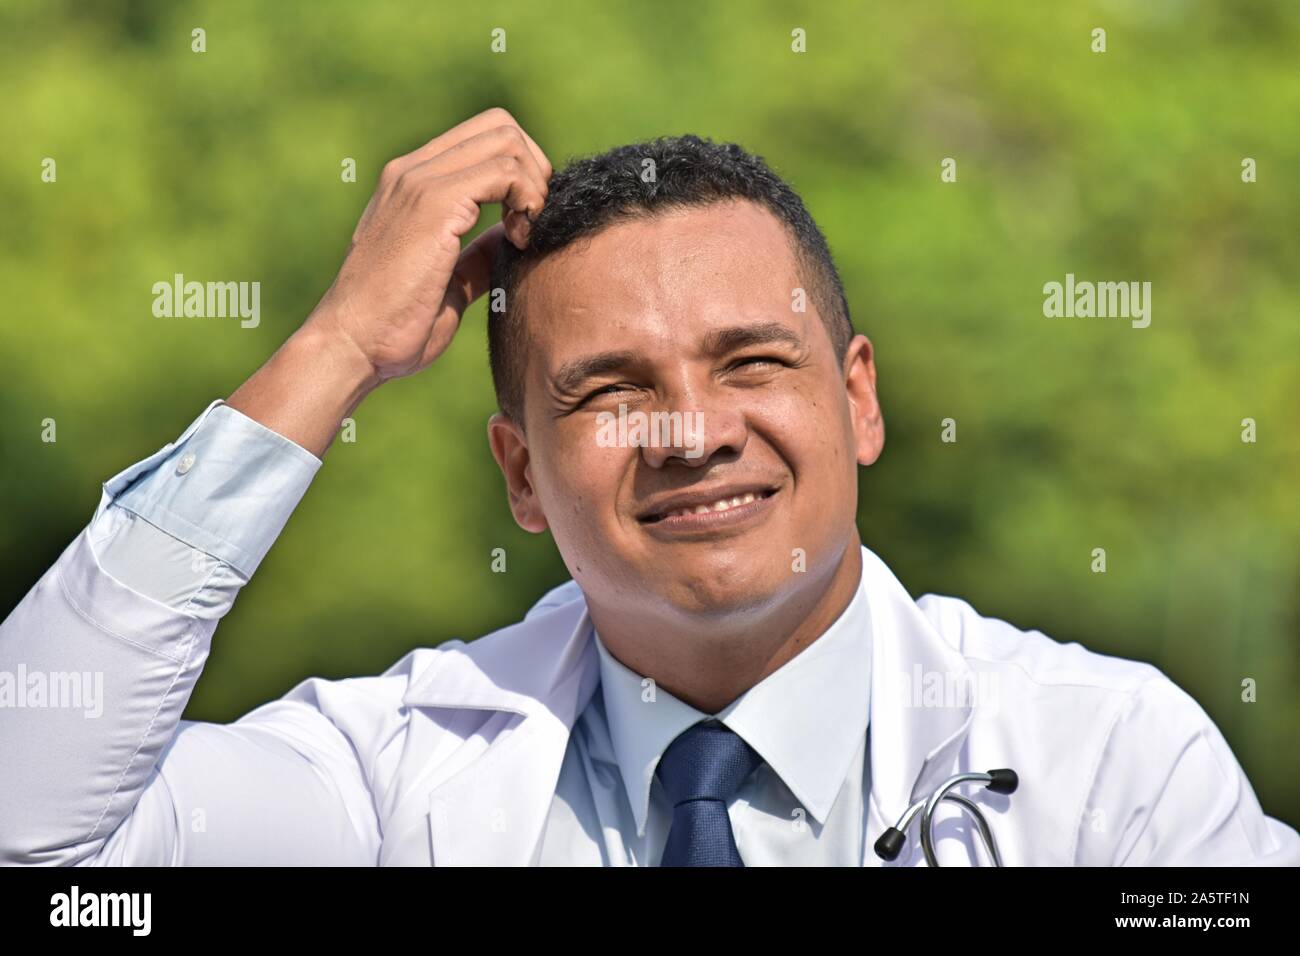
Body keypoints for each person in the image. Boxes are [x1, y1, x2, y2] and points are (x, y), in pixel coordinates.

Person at [1, 108, 1295, 866]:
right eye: (610, 392)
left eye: (750, 362)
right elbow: (31, 835)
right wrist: (335, 348)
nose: (688, 430)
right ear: (521, 474)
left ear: (857, 399)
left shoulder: (1110, 769)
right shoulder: (392, 782)